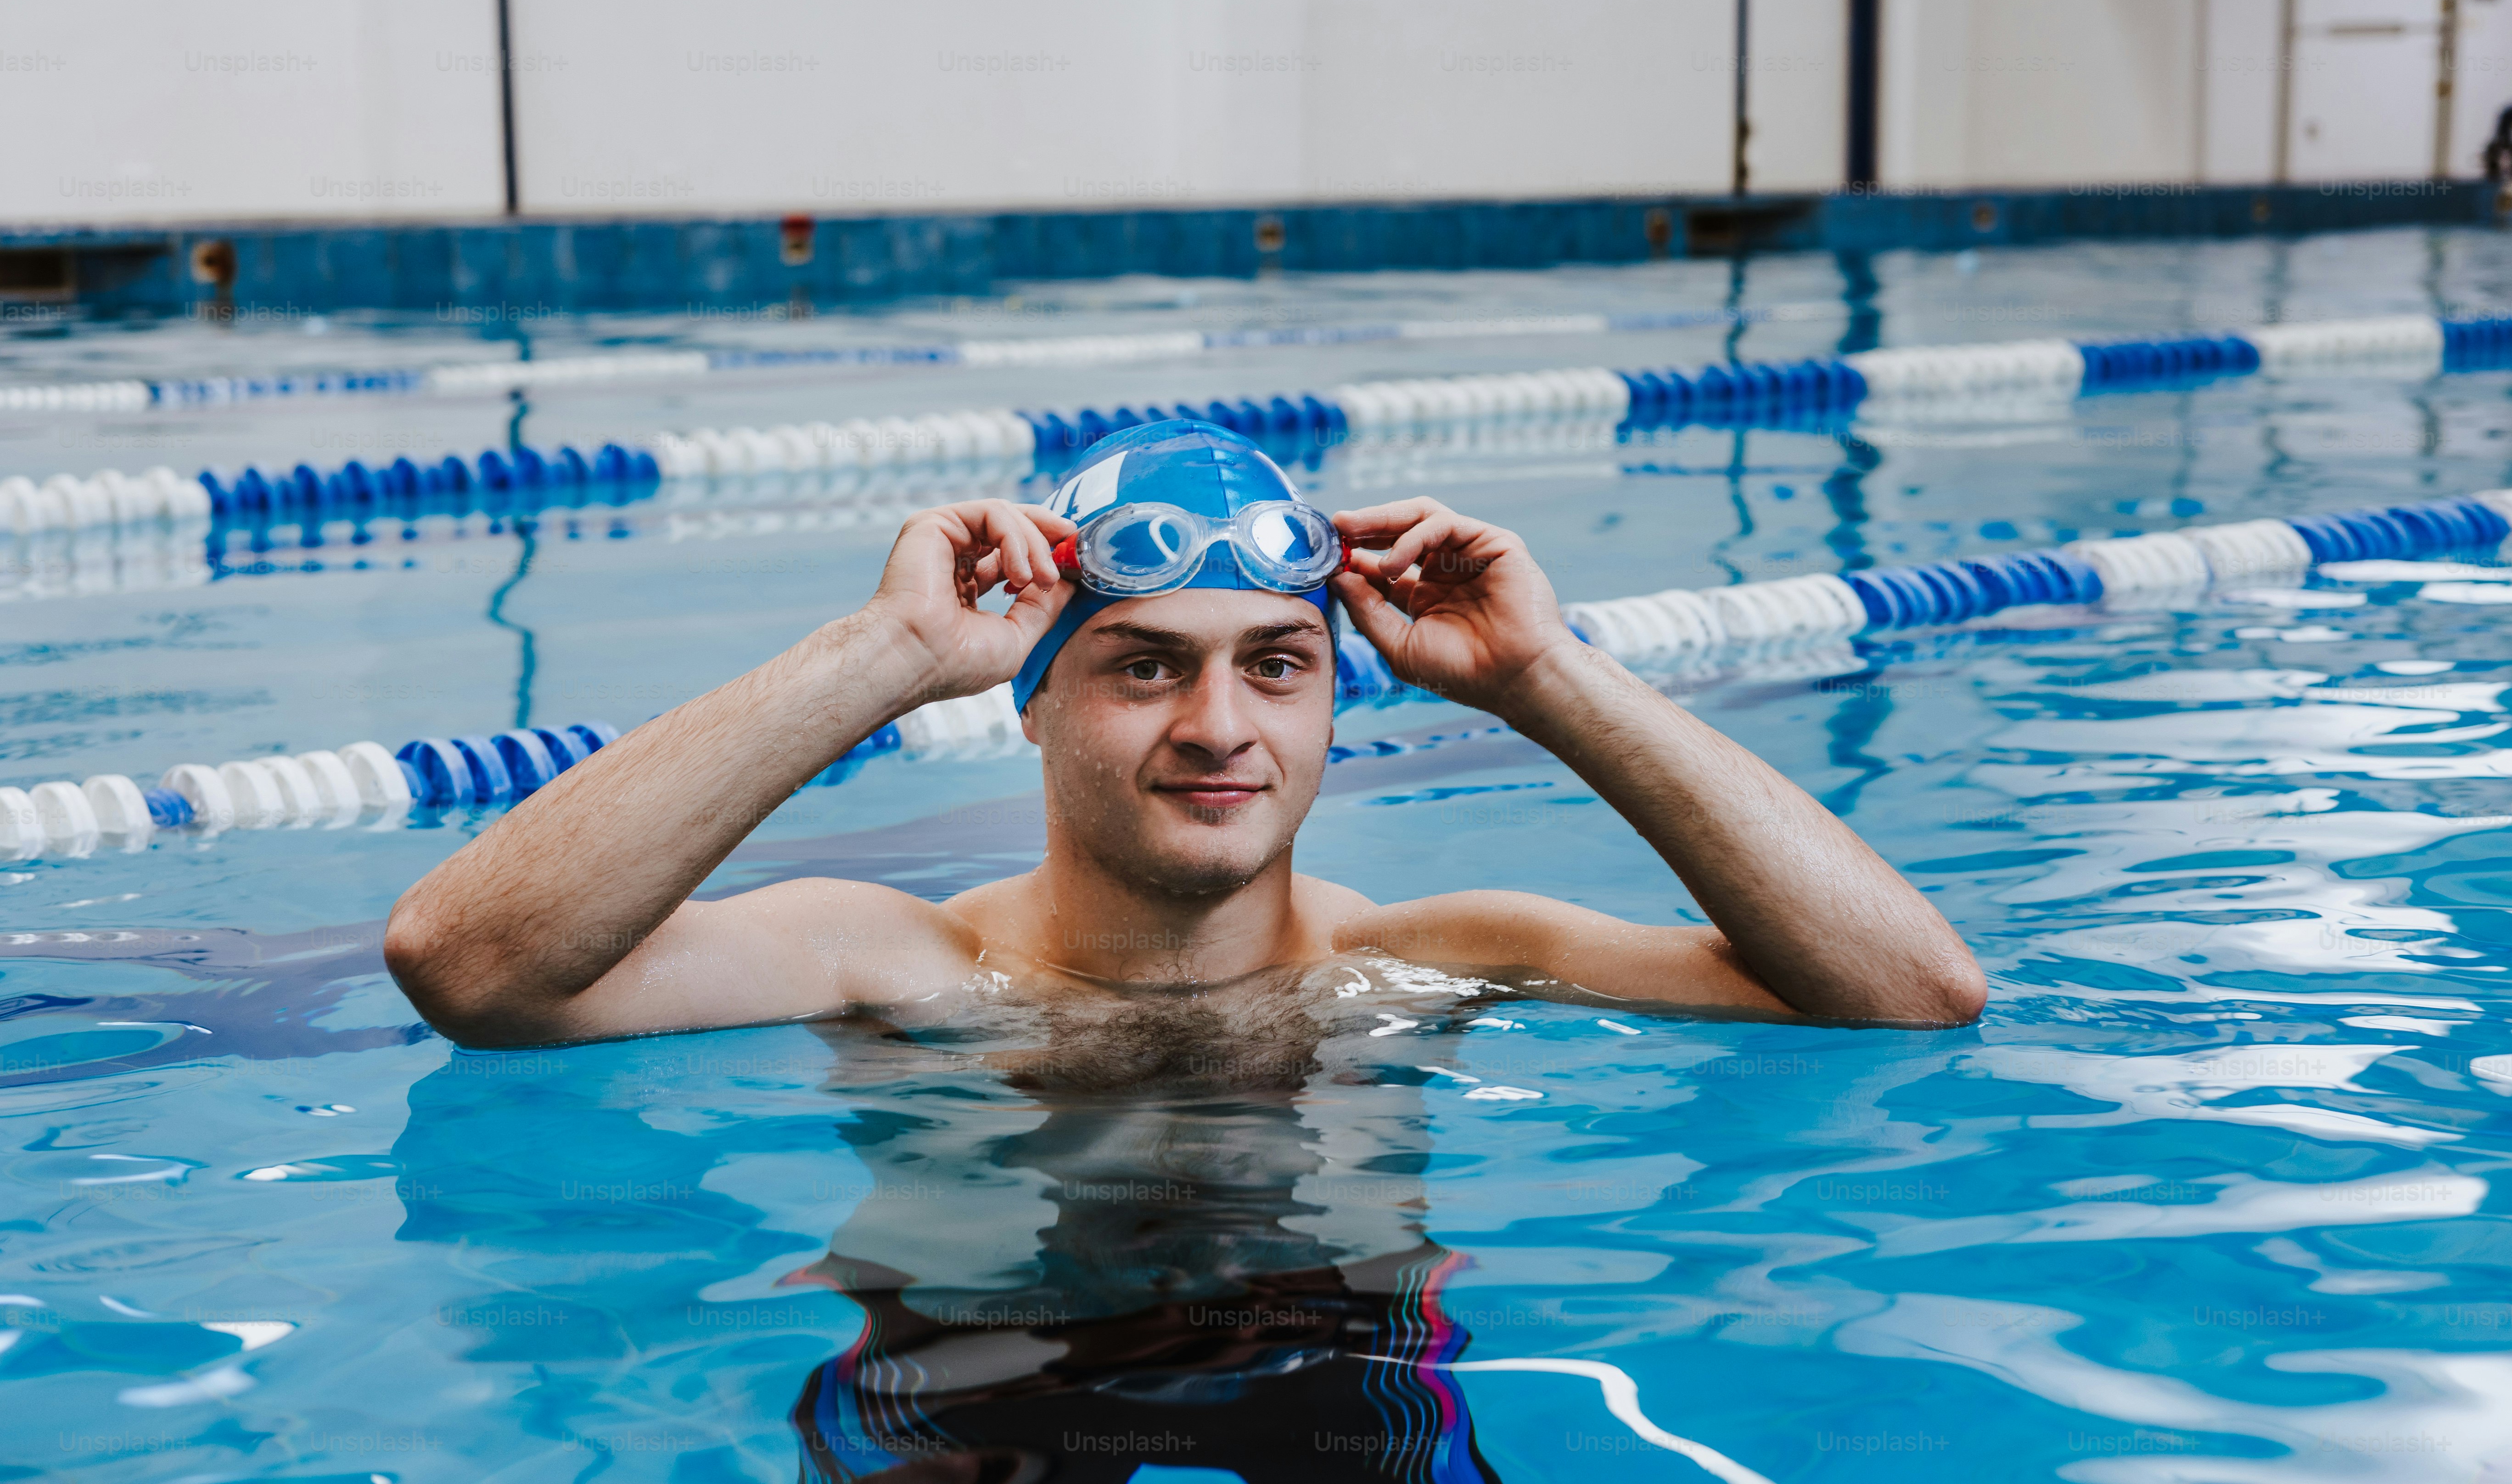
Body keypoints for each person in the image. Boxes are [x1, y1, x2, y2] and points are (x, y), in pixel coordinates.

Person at [383, 417, 1984, 1048]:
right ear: (1035, 700)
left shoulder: (1442, 958)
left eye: (1277, 667)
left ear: (1339, 701)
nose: (1220, 726)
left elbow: (1911, 994)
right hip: (971, 1391)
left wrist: (1547, 677)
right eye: (1144, 668)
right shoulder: (890, 964)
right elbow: (473, 965)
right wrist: (882, 653)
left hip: (1348, 1375)